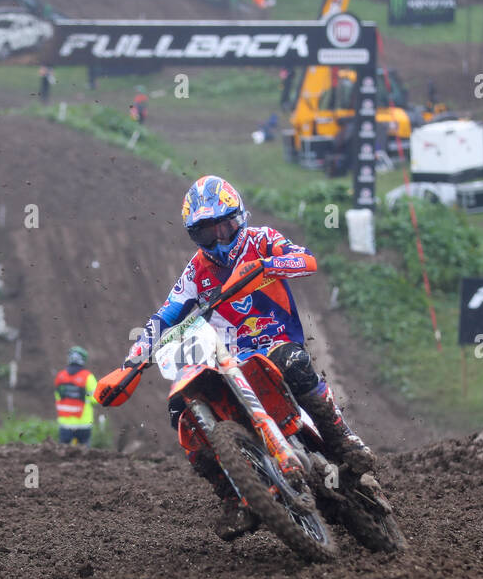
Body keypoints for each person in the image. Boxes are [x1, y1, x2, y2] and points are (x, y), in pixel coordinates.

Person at [96, 175, 376, 540]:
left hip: (276, 342)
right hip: (231, 357)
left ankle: (342, 438)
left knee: (292, 362)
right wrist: (130, 365)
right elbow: (164, 316)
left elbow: (306, 261)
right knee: (180, 411)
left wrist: (266, 267)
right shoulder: (197, 271)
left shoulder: (262, 240)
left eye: (224, 226)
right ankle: (233, 496)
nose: (219, 239)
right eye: (206, 234)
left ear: (239, 217)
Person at [54, 346, 98, 445]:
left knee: (62, 453)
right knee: (84, 454)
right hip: (83, 423)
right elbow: (95, 399)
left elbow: (58, 397)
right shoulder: (88, 377)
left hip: (65, 423)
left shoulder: (60, 376)